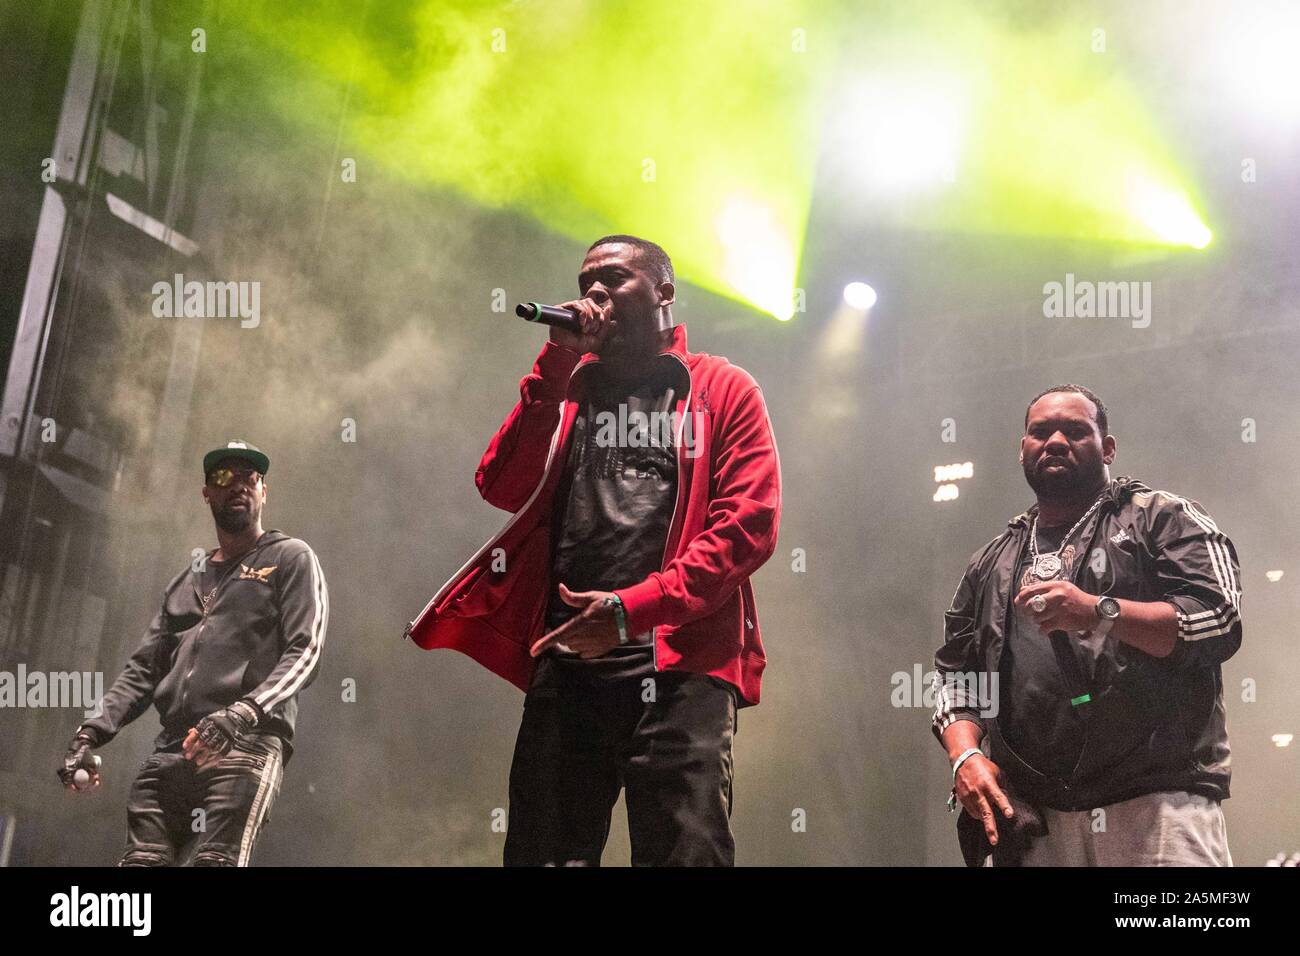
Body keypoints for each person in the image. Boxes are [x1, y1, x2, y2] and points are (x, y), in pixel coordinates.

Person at [407, 235, 781, 866]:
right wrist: (553, 363)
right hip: (571, 668)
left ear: (663, 292)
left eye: (613, 279)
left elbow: (749, 522)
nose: (593, 294)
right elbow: (502, 484)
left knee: (683, 856)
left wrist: (632, 609)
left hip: (678, 669)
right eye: (586, 284)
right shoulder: (571, 388)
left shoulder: (723, 388)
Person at [932, 385, 1240, 866]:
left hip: (1155, 801)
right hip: (1034, 813)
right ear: (1022, 450)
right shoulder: (991, 562)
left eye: (1075, 430)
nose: (1055, 440)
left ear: (1108, 447)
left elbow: (1217, 620)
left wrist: (1100, 611)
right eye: (1040, 432)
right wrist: (965, 757)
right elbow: (956, 676)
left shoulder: (1163, 518)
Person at [58, 440, 329, 866]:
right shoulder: (188, 580)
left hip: (245, 744)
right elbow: (142, 671)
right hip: (171, 750)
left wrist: (241, 714)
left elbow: (306, 649)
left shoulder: (290, 558)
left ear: (263, 491)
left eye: (249, 477)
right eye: (223, 477)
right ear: (207, 492)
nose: (237, 485)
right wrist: (87, 735)